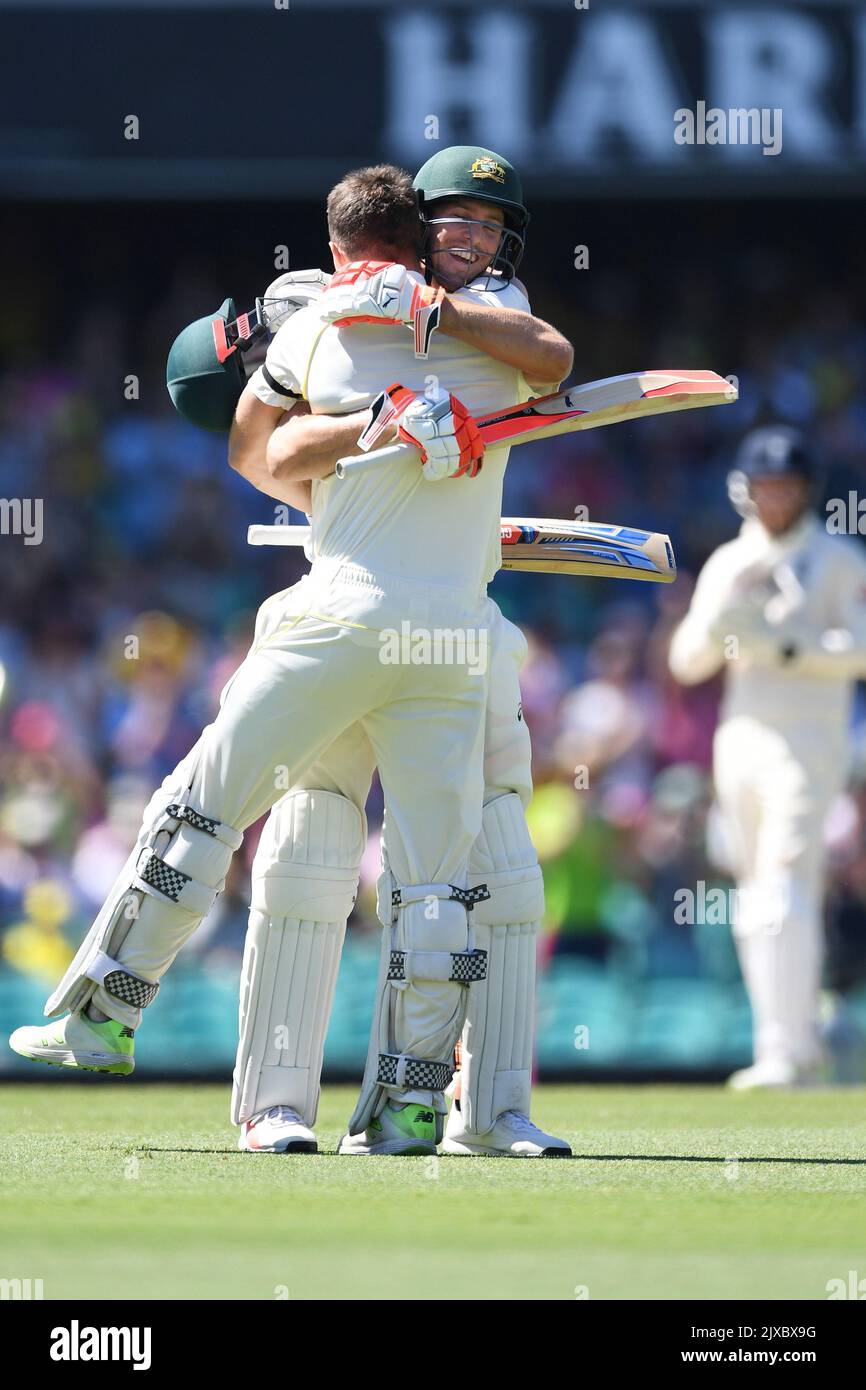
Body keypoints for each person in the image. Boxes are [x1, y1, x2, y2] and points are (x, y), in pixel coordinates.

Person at [8, 162, 527, 1159]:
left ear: (334, 251)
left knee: (201, 808)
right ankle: (409, 1107)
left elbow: (252, 452)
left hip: (339, 615)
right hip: (454, 637)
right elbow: (555, 361)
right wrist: (397, 407)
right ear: (422, 240)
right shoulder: (495, 330)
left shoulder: (313, 327)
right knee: (433, 885)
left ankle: (101, 1015)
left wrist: (348, 443)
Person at [227, 148, 574, 1155]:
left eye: (485, 223)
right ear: (413, 227)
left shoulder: (498, 316)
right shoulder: (335, 315)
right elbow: (257, 453)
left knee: (496, 863)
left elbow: (552, 358)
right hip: (344, 607)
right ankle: (275, 1103)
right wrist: (337, 471)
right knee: (307, 845)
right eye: (447, 220)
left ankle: (480, 1105)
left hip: (461, 620)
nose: (467, 238)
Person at [668, 426, 866, 1088]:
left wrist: (790, 647)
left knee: (786, 879)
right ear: (746, 491)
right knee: (756, 891)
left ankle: (790, 1045)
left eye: (786, 487)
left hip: (810, 736)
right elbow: (686, 662)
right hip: (742, 737)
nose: (775, 499)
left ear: (808, 490)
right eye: (764, 487)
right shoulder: (730, 561)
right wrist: (724, 617)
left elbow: (861, 649)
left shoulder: (839, 559)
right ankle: (781, 1044)